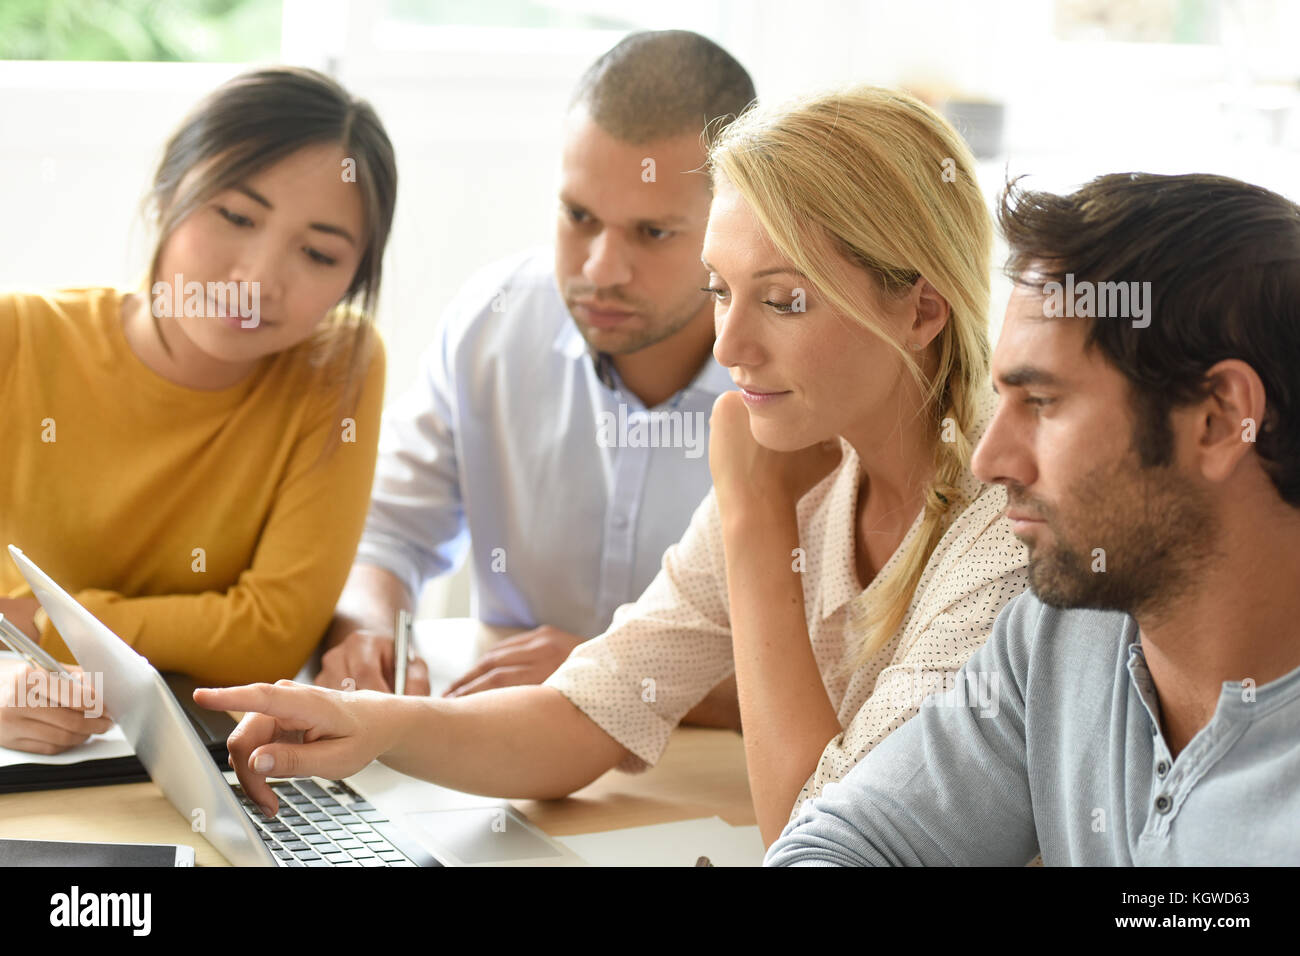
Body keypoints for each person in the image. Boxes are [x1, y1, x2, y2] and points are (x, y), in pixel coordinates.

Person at [196, 86, 1028, 840]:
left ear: (921, 309)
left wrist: (753, 520)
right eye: (719, 290)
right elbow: (588, 711)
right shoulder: (818, 462)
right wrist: (376, 724)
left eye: (783, 301)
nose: (730, 346)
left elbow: (825, 842)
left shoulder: (1004, 531)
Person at [765, 172, 1300, 866]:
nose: (989, 460)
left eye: (1042, 402)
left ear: (1221, 419)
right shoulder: (1058, 637)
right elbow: (842, 842)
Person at [316, 31, 754, 723]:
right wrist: (371, 630)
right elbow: (386, 535)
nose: (601, 269)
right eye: (579, 217)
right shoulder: (492, 325)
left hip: (720, 786)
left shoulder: (796, 377)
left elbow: (850, 669)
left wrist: (604, 674)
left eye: (653, 233)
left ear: (738, 221)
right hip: (509, 754)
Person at [0, 66, 395, 754]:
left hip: (206, 762)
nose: (258, 279)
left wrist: (42, 624)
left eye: (318, 253)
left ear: (351, 281)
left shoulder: (339, 369)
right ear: (167, 191)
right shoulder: (17, 339)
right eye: (236, 216)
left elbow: (270, 638)